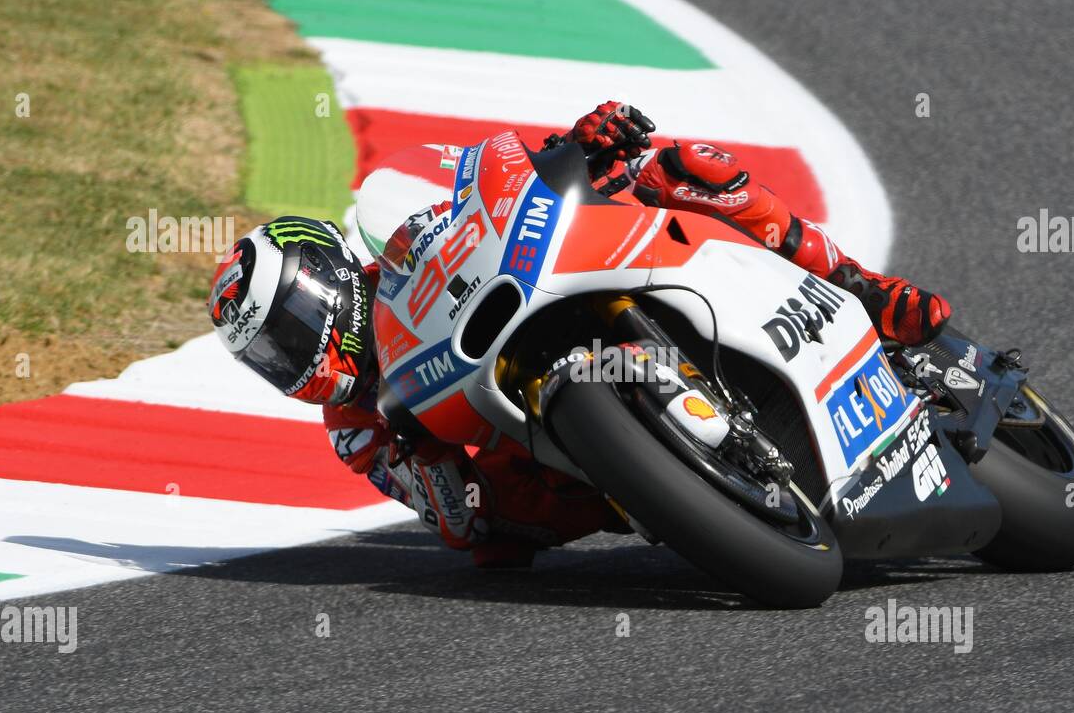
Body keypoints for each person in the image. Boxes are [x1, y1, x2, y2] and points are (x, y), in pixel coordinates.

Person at [207, 102, 952, 566]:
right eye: (270, 355)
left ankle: (861, 288)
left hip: (552, 281)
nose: (294, 354)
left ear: (330, 276)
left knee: (686, 169)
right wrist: (430, 474)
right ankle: (652, 486)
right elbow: (458, 522)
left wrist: (578, 146)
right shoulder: (351, 426)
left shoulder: (399, 245)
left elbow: (483, 189)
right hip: (535, 439)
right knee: (497, 536)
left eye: (292, 325)